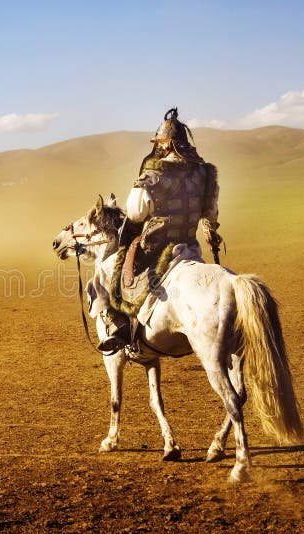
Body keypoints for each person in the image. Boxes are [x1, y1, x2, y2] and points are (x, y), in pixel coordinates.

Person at [95, 107, 222, 352]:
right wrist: (209, 228)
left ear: (165, 145)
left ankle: (118, 326)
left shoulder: (152, 174)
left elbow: (134, 214)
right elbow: (211, 213)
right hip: (189, 248)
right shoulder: (205, 174)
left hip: (155, 249)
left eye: (160, 144)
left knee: (107, 269)